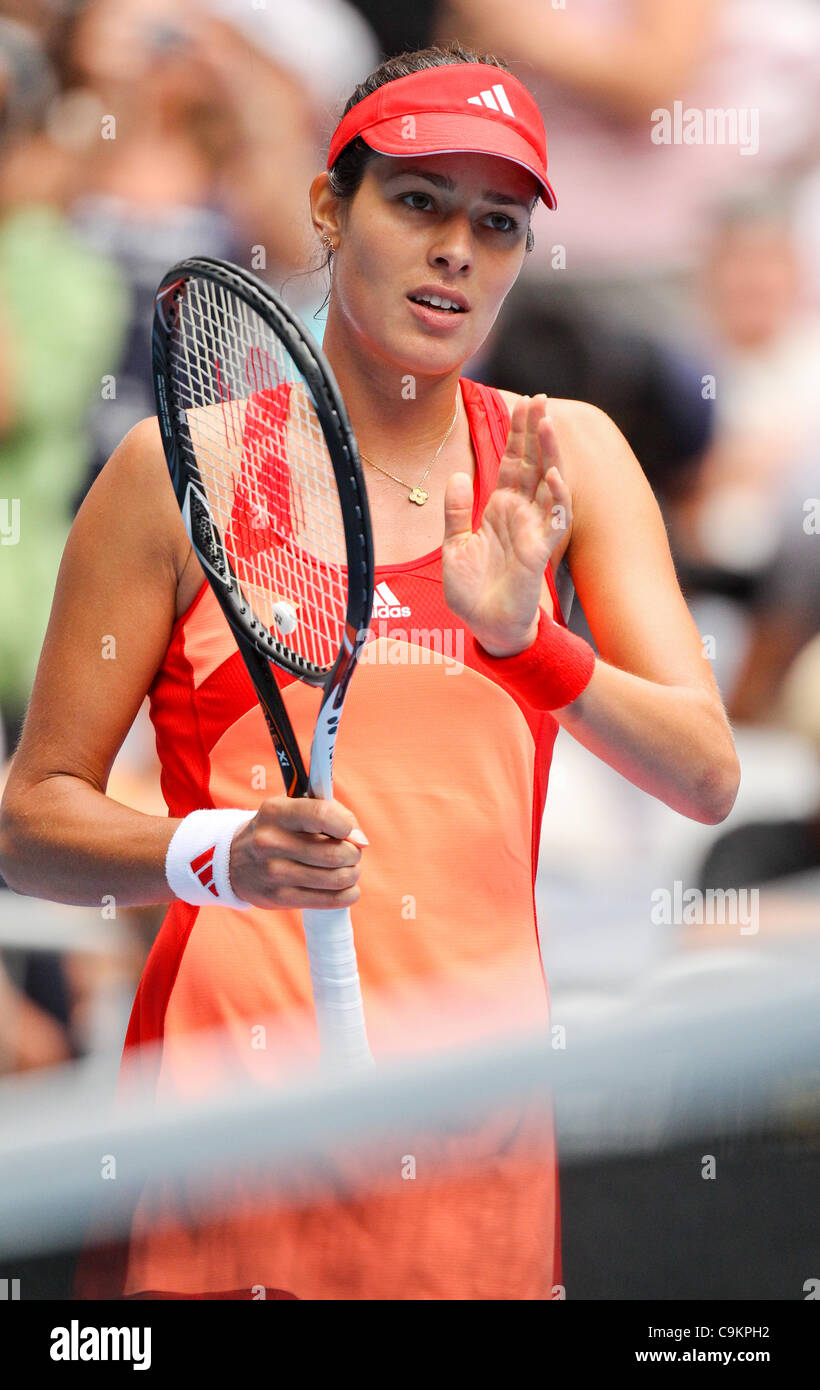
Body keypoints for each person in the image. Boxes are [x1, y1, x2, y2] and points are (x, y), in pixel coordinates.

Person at [0, 40, 739, 1301]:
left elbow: (706, 775)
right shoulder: (173, 476)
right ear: (328, 208)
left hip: (476, 1120)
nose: (459, 246)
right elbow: (30, 822)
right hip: (225, 1117)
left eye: (498, 224)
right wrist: (214, 855)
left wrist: (533, 646)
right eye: (418, 201)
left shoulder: (571, 459)